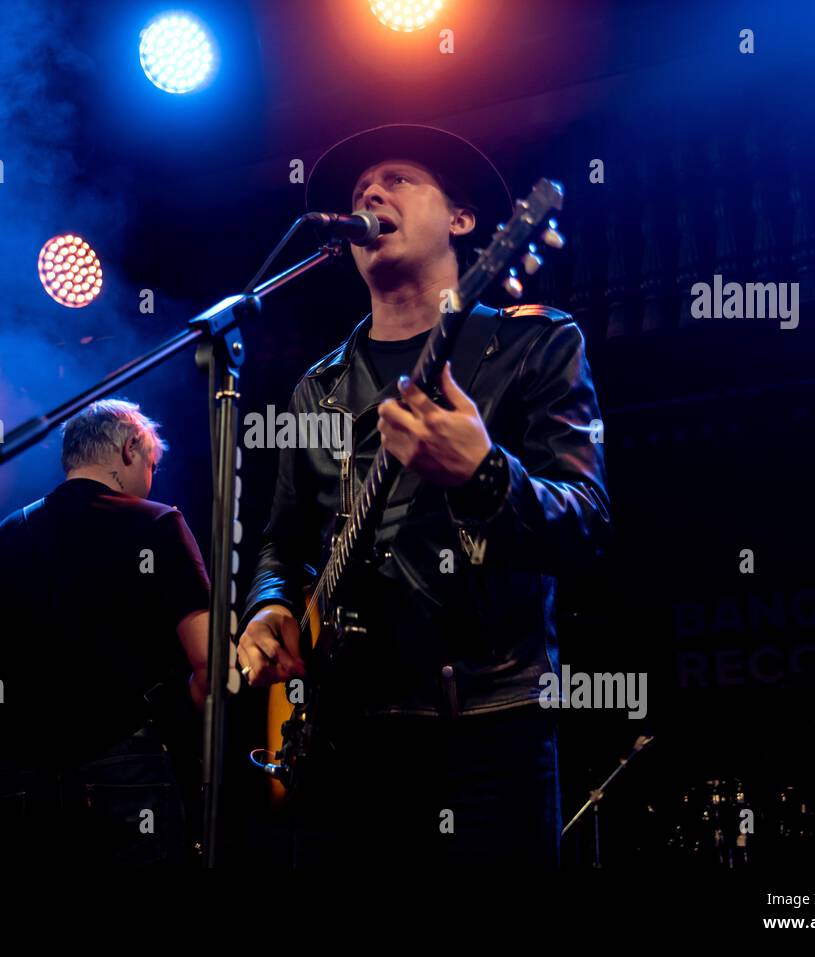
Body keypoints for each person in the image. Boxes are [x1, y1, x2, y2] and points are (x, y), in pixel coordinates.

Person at [236, 124, 611, 866]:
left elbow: (588, 523)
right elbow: (281, 536)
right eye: (359, 192)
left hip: (485, 726)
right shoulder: (318, 387)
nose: (371, 194)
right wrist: (269, 605)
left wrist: (486, 475)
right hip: (349, 734)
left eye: (399, 180)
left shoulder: (536, 344)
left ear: (466, 222)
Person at [0, 399, 210, 866]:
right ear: (130, 448)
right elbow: (211, 663)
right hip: (129, 773)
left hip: (18, 783)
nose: (152, 479)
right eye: (151, 464)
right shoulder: (159, 523)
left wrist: (16, 746)